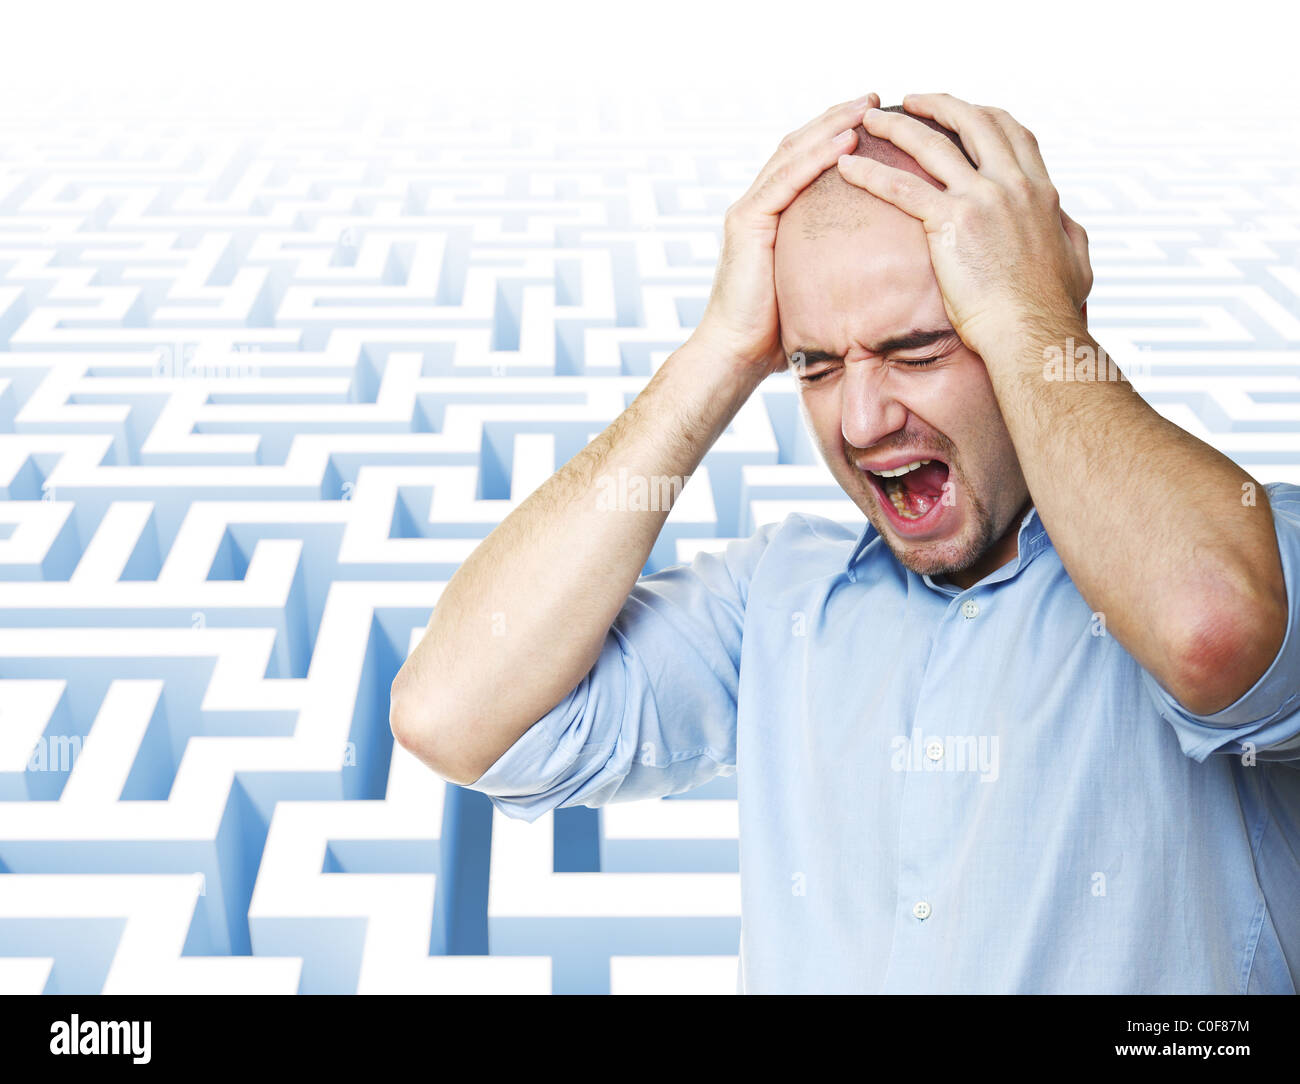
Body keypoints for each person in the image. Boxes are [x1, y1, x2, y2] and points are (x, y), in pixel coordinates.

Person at [389, 92, 1300, 993]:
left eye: (917, 351)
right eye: (814, 366)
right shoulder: (772, 605)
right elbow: (453, 713)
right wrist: (723, 348)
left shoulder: (1258, 543)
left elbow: (1211, 630)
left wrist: (1036, 317)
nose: (861, 422)